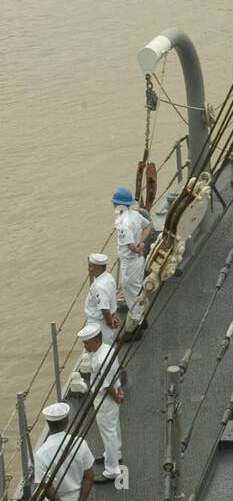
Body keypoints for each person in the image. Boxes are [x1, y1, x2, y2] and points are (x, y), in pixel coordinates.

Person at [79, 323, 124, 484]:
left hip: (105, 399)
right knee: (114, 427)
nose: (85, 346)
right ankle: (115, 453)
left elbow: (106, 385)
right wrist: (120, 390)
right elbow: (116, 373)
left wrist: (116, 395)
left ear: (96, 340)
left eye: (86, 343)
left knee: (108, 432)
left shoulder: (100, 360)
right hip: (113, 393)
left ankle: (112, 470)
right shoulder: (107, 349)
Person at [111, 187, 152, 336]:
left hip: (130, 262)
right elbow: (148, 225)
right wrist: (141, 241)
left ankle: (134, 330)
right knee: (137, 290)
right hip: (138, 261)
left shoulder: (122, 223)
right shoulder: (135, 215)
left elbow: (131, 247)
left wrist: (137, 247)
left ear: (117, 204)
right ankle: (143, 320)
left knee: (132, 296)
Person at [84, 253, 119, 345]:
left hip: (99, 324)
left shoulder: (100, 287)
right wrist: (113, 316)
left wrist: (110, 323)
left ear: (98, 268)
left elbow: (104, 309)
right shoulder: (108, 277)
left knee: (100, 352)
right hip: (106, 320)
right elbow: (111, 301)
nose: (88, 269)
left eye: (90, 266)